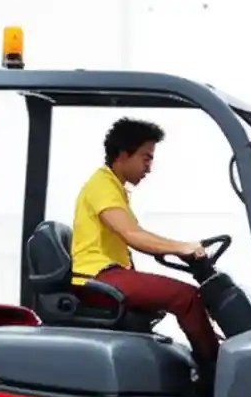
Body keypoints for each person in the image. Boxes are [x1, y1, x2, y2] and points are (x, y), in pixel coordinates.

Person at [70, 118, 221, 372]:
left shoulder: (113, 187)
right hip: (96, 276)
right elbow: (132, 234)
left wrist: (180, 248)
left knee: (190, 297)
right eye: (146, 157)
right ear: (122, 154)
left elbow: (133, 234)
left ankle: (213, 353)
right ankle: (217, 373)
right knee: (186, 297)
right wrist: (181, 247)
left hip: (109, 273)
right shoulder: (102, 184)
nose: (149, 167)